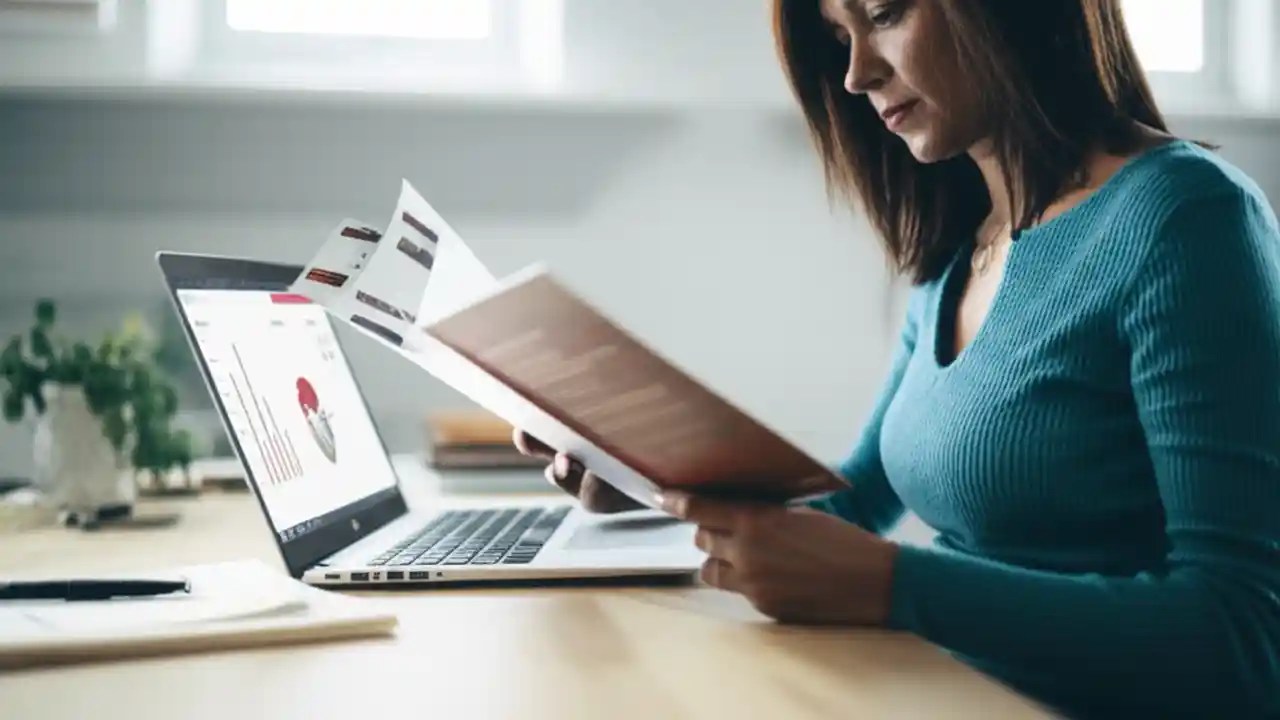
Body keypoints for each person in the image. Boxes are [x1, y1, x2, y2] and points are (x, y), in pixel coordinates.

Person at [514, 0, 1280, 716]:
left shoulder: (1188, 218)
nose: (856, 74)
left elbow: (1242, 634)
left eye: (883, 13)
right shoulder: (966, 247)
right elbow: (855, 501)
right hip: (933, 691)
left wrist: (895, 586)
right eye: (839, 37)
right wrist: (657, 485)